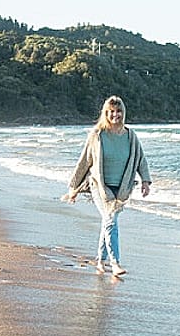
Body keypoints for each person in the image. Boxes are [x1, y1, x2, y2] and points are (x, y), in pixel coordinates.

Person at [65, 95, 152, 277]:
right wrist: (74, 188)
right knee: (111, 220)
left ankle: (100, 261)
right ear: (106, 113)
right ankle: (115, 263)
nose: (115, 115)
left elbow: (140, 159)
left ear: (123, 113)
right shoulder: (97, 135)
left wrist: (145, 181)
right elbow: (84, 161)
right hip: (99, 187)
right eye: (111, 112)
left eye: (118, 111)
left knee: (108, 222)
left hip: (121, 189)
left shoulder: (130, 136)